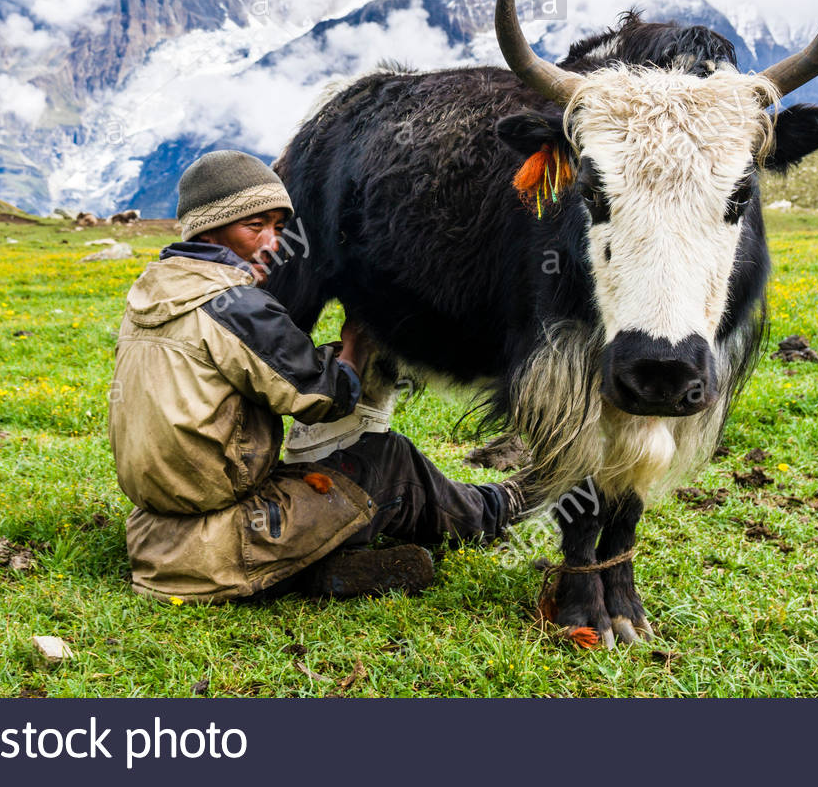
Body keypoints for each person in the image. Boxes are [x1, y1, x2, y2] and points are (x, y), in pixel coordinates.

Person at [108, 149, 536, 603]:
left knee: (326, 478)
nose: (272, 243)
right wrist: (355, 345)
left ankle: (315, 573)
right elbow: (323, 396)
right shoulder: (235, 305)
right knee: (388, 458)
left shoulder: (151, 293)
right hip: (237, 536)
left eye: (278, 228)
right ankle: (497, 508)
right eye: (254, 226)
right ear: (209, 229)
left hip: (154, 543)